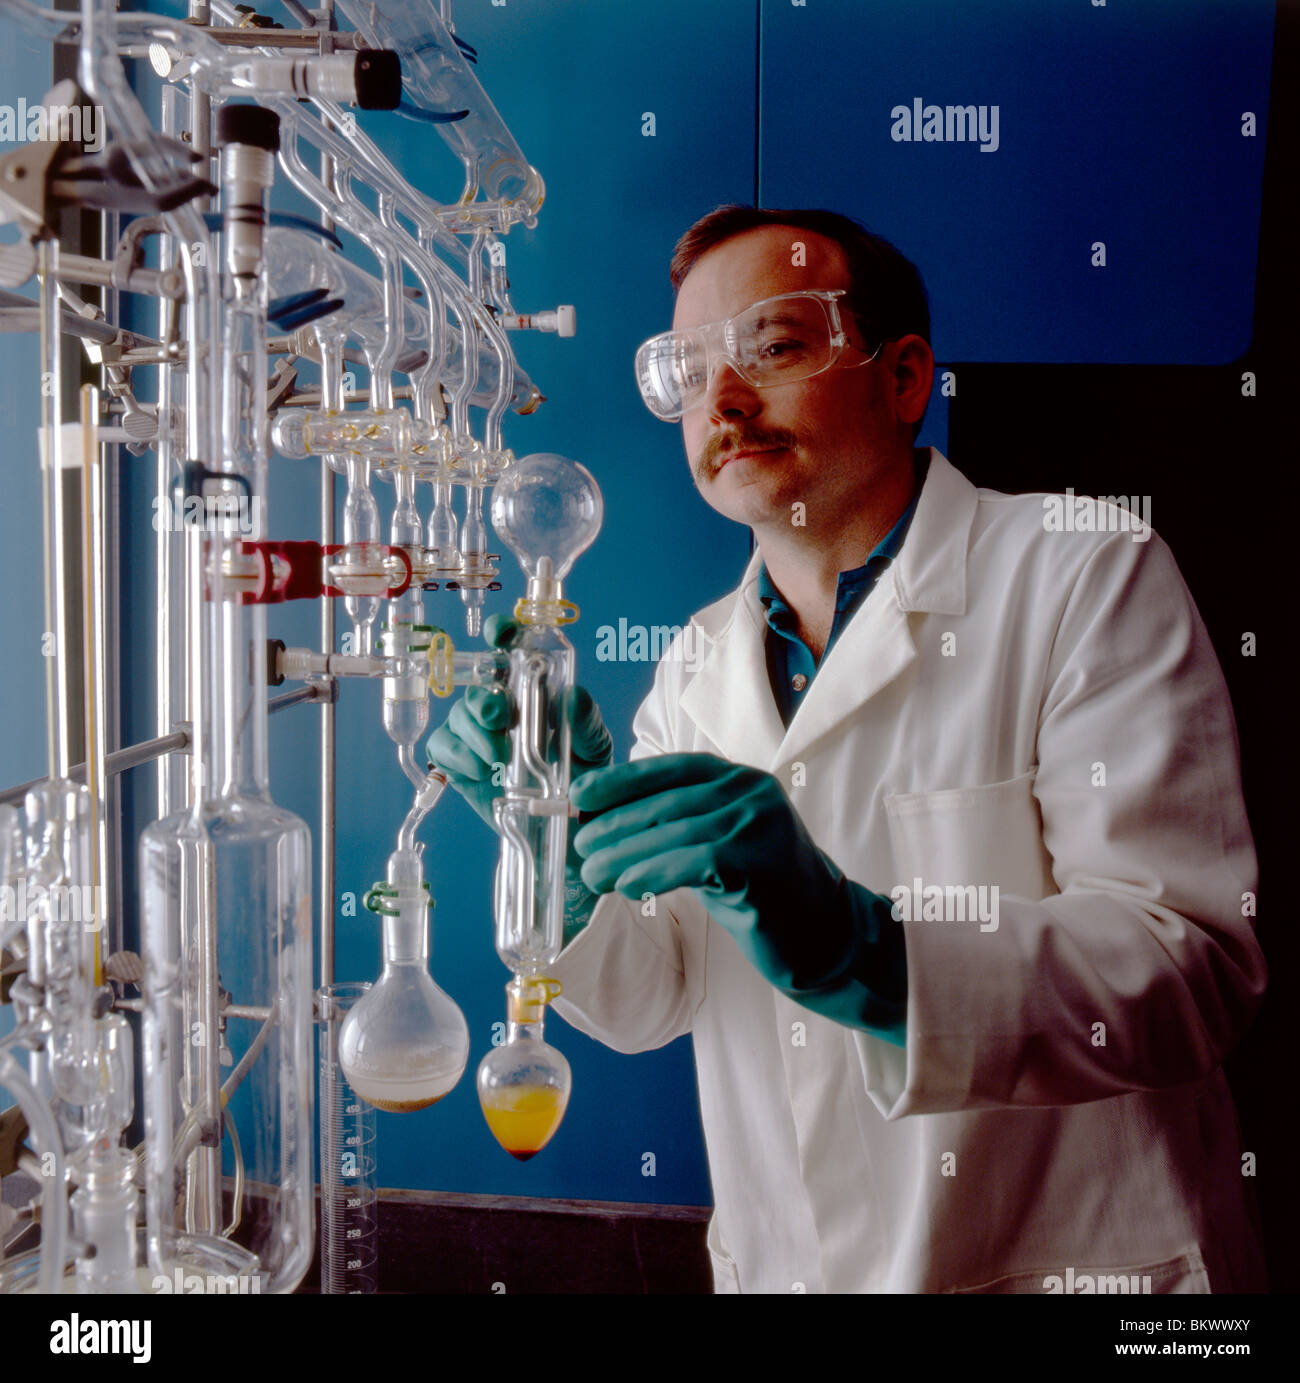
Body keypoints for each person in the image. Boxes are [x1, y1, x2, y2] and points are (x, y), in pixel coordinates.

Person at [428, 206, 1267, 1294]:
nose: (722, 401)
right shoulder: (694, 664)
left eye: (772, 348)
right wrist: (554, 848)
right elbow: (652, 999)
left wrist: (862, 947)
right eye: (685, 372)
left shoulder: (1081, 574)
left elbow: (1188, 967)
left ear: (904, 375)